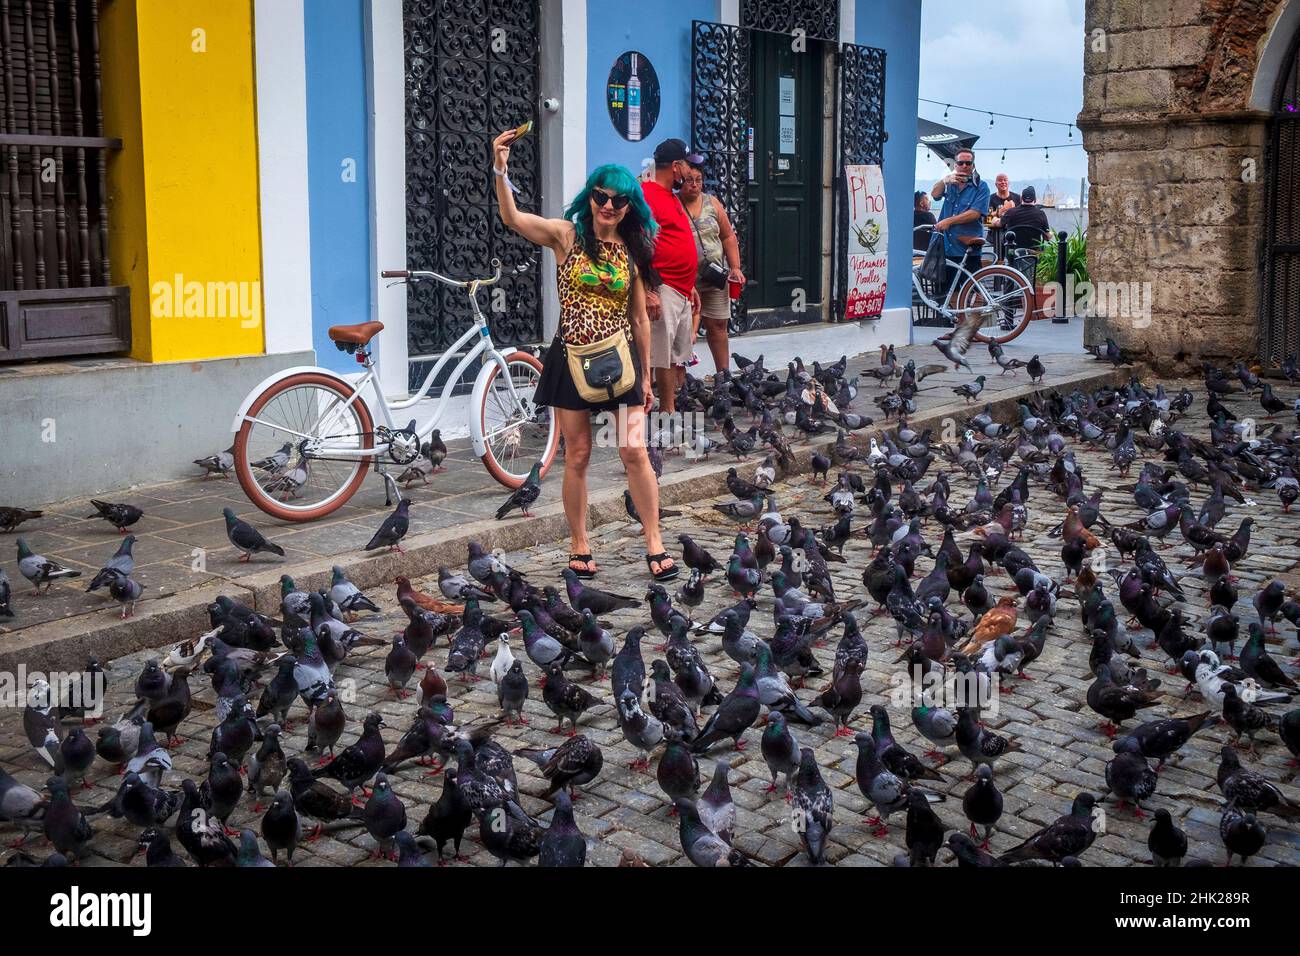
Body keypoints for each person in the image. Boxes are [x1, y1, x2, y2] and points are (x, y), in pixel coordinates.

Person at [491, 128, 678, 582]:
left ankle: (654, 540)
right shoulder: (566, 236)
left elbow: (639, 318)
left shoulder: (634, 250)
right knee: (577, 455)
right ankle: (579, 543)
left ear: (630, 206)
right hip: (570, 359)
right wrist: (500, 166)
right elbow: (513, 218)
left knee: (634, 451)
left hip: (621, 362)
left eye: (618, 199)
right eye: (600, 196)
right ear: (590, 198)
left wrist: (648, 377)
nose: (608, 205)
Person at [642, 139, 701, 415]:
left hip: (680, 288)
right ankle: (666, 411)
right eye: (688, 165)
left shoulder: (670, 196)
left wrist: (691, 285)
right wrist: (647, 289)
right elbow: (638, 246)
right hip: (662, 286)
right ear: (676, 167)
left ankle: (669, 408)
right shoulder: (647, 195)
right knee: (661, 355)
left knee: (676, 356)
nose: (690, 172)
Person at [679, 161, 744, 374]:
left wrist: (735, 267)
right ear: (680, 180)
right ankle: (679, 384)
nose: (694, 185)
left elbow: (728, 236)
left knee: (718, 326)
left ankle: (723, 376)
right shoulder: (673, 204)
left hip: (714, 278)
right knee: (682, 331)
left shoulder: (712, 203)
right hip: (684, 282)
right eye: (689, 180)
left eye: (698, 180)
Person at [930, 148, 990, 293]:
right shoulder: (950, 183)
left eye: (968, 163)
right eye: (960, 163)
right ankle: (947, 316)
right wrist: (945, 180)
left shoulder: (981, 187)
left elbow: (975, 213)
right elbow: (935, 194)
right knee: (943, 294)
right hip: (946, 246)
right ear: (955, 165)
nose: (964, 166)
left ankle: (974, 315)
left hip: (967, 248)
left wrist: (948, 221)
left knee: (972, 294)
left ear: (973, 165)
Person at [999, 185, 1051, 281]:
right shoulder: (1041, 214)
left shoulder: (1011, 212)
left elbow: (999, 224)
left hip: (1012, 251)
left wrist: (996, 218)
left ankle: (1008, 284)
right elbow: (1047, 237)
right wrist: (1049, 234)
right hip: (1033, 252)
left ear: (1021, 198)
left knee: (1006, 249)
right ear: (1034, 200)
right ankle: (1029, 284)